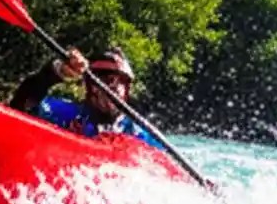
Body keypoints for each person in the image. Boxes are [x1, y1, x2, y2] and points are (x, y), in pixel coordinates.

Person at [9, 46, 165, 150]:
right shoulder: (66, 114)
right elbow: (20, 107)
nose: (111, 87)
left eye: (118, 80)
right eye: (102, 79)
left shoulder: (141, 136)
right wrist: (55, 71)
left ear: (127, 88)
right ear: (89, 86)